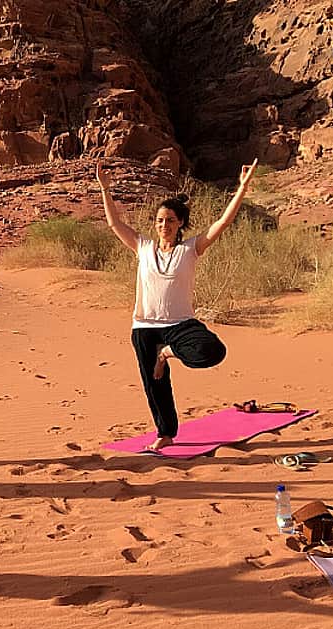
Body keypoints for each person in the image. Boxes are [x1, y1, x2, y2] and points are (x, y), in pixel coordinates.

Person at [97, 159, 257, 450]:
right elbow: (113, 223)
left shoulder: (189, 249)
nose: (164, 225)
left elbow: (222, 223)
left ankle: (167, 354)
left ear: (180, 222)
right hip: (145, 327)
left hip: (180, 326)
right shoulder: (142, 247)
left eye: (170, 220)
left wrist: (242, 188)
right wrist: (106, 190)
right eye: (160, 220)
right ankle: (166, 433)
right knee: (154, 385)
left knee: (213, 350)